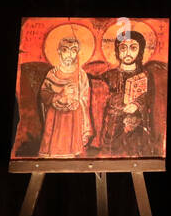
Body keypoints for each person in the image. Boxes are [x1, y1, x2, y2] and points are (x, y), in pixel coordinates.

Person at [94, 29, 156, 157]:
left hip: (135, 123)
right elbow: (100, 98)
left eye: (133, 48)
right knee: (110, 152)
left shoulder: (145, 75)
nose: (127, 53)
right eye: (123, 48)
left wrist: (137, 105)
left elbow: (149, 97)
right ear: (117, 51)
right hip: (112, 123)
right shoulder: (108, 75)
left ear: (140, 51)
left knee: (134, 150)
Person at [38, 35, 91, 157]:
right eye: (65, 50)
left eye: (73, 50)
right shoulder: (52, 74)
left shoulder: (81, 75)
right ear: (59, 51)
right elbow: (44, 94)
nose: (69, 54)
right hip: (55, 117)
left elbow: (85, 97)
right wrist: (60, 94)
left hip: (73, 117)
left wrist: (77, 101)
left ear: (77, 52)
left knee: (72, 151)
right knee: (53, 149)